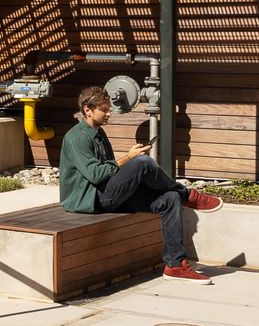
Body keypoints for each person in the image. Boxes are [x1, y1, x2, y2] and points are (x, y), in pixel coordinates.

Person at [60, 84, 224, 282]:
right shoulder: (76, 138)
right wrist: (129, 158)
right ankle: (187, 195)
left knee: (169, 198)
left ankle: (175, 266)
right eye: (104, 109)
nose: (109, 113)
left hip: (106, 192)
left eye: (109, 109)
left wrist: (134, 177)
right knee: (142, 162)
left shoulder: (99, 133)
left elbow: (111, 171)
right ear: (87, 110)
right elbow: (95, 175)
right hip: (90, 199)